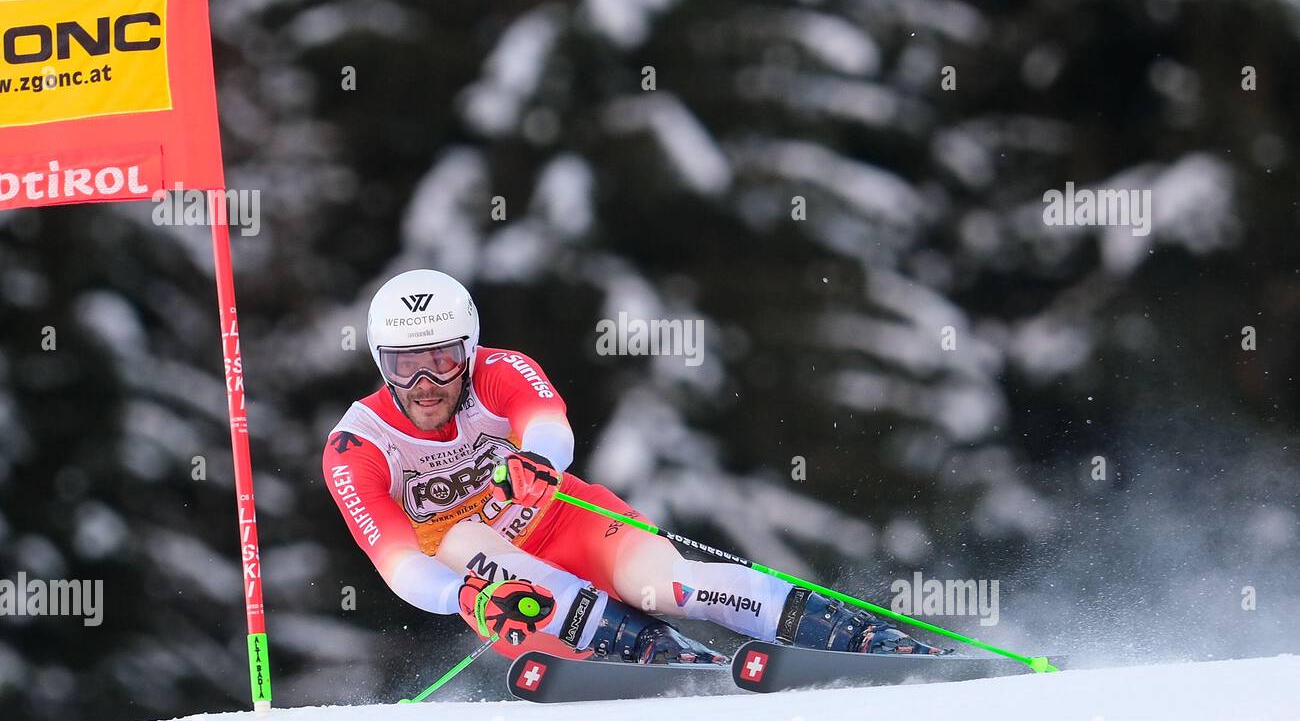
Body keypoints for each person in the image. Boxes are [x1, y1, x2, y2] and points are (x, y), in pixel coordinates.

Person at [323, 269, 949, 663]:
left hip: (568, 523)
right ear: (382, 363)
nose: (428, 382)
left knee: (670, 586)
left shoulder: (498, 370)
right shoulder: (358, 447)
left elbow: (547, 422)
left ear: (470, 349)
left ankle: (857, 635)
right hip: (503, 583)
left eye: (444, 359)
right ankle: (644, 650)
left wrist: (538, 462)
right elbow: (399, 564)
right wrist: (462, 595)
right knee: (459, 537)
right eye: (406, 365)